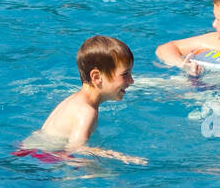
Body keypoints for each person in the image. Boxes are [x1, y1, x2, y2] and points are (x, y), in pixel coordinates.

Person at [20, 36, 145, 165]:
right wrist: (119, 156)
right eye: (125, 74)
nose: (132, 81)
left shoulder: (75, 100)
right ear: (96, 77)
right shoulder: (87, 112)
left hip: (27, 151)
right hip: (41, 159)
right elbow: (76, 147)